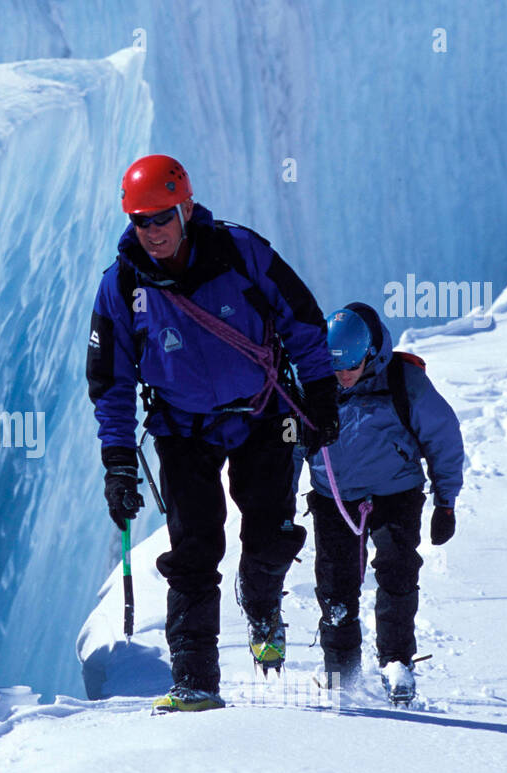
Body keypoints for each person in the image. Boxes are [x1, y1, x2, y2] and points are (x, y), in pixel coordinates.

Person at [86, 154, 339, 712]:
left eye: (161, 217)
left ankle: (261, 600)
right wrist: (119, 462)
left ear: (186, 207)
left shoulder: (239, 251)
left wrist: (320, 392)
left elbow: (300, 317)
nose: (151, 231)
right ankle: (196, 681)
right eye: (140, 220)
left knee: (272, 535)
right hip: (182, 429)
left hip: (265, 414)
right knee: (195, 551)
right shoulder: (122, 285)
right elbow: (111, 381)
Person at [306, 302, 464, 703]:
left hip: (395, 494)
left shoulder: (403, 381)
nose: (341, 377)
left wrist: (446, 502)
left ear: (371, 354)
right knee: (335, 585)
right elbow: (288, 444)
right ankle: (341, 672)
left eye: (350, 367)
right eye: (334, 366)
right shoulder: (313, 385)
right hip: (334, 498)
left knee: (397, 569)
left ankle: (396, 662)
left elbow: (442, 439)